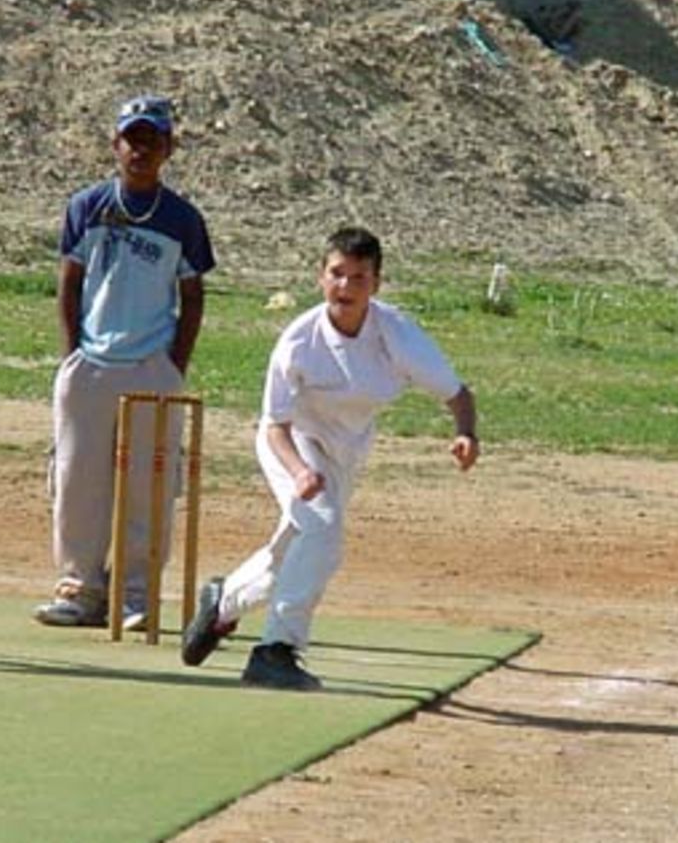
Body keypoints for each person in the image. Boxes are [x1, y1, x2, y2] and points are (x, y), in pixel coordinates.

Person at [181, 227, 479, 690]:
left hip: (344, 451)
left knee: (295, 550)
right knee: (324, 532)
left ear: (376, 285)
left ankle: (223, 603)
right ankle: (276, 650)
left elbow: (458, 394)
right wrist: (299, 472)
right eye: (337, 275)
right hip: (292, 442)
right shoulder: (298, 342)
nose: (346, 287)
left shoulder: (398, 334)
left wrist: (466, 434)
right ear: (321, 278)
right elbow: (275, 425)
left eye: (359, 277)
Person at [35, 93, 215, 631]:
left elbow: (194, 297)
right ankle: (81, 588)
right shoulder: (86, 205)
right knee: (78, 479)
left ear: (168, 149)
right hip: (91, 364)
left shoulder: (182, 219)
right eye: (131, 139)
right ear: (115, 145)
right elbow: (69, 284)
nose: (140, 150)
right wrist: (73, 356)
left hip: (151, 366)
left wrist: (172, 365)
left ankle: (135, 593)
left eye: (151, 141)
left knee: (147, 484)